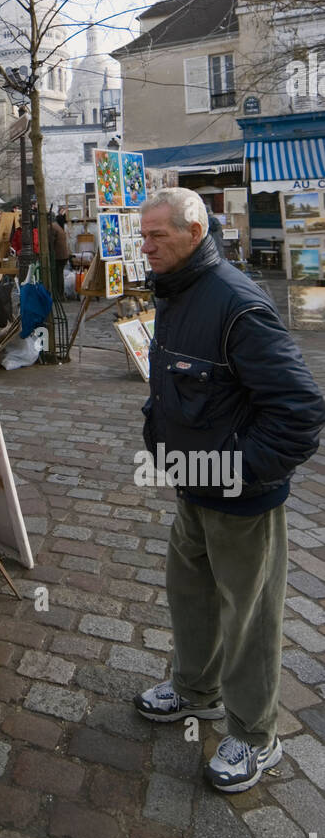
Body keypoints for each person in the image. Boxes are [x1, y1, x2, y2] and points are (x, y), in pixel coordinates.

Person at [132, 187, 325, 794]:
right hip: (193, 489)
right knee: (190, 596)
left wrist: (236, 471)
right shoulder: (179, 290)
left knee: (250, 618)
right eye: (144, 235)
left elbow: (299, 410)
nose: (146, 246)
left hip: (239, 499)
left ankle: (254, 736)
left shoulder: (237, 303)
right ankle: (196, 691)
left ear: (194, 234)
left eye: (157, 236)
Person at [48, 210, 70, 298]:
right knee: (59, 274)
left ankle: (58, 294)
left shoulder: (52, 227)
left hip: (58, 255)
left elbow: (50, 242)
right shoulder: (56, 226)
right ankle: (60, 294)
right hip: (62, 255)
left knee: (57, 275)